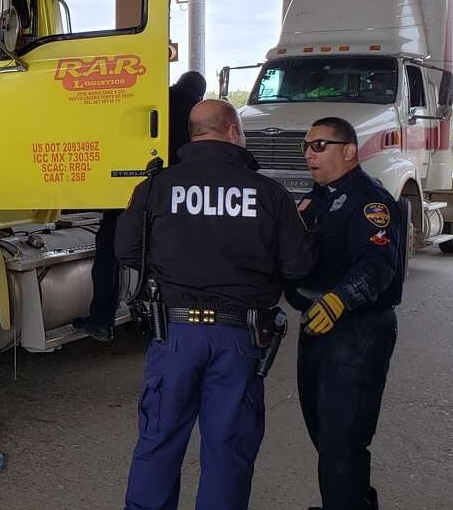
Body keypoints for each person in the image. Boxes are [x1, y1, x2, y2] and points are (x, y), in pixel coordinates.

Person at [116, 99, 317, 510]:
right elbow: (299, 266)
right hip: (238, 338)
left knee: (159, 441)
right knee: (228, 450)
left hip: (173, 335)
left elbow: (125, 250)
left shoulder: (156, 187)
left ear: (193, 134)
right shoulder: (268, 193)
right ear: (232, 131)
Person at [288, 116, 405, 510]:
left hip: (358, 332)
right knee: (326, 436)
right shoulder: (316, 198)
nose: (309, 154)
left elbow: (377, 264)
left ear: (349, 151)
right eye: (306, 146)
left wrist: (340, 298)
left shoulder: (371, 202)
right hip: (317, 329)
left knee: (343, 440)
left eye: (319, 145)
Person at [73, 71, 207, 342]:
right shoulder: (199, 115)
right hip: (175, 198)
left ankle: (101, 319)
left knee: (109, 255)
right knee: (167, 262)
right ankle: (162, 327)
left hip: (127, 191)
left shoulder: (155, 99)